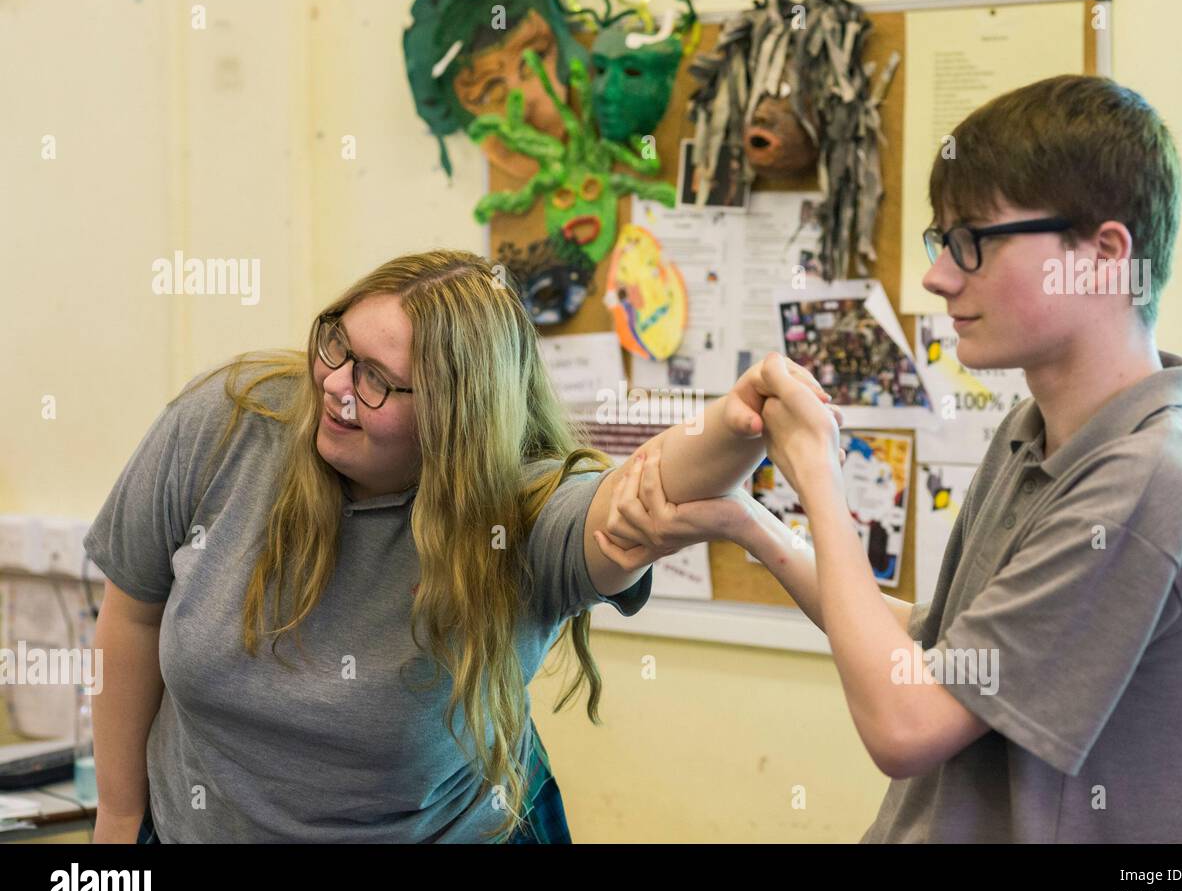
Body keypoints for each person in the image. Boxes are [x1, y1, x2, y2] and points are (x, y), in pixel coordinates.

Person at [597, 75, 1182, 842]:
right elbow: (942, 655)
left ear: (1103, 255)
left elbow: (906, 722)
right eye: (940, 241)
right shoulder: (1033, 432)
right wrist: (748, 525)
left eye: (973, 241)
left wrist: (818, 468)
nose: (939, 276)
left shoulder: (1160, 479)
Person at [86, 249, 835, 843]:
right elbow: (132, 614)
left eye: (378, 379)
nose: (337, 387)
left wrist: (737, 421)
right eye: (337, 346)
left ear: (454, 420)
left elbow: (647, 493)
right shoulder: (229, 418)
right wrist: (118, 819)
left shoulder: (518, 511)